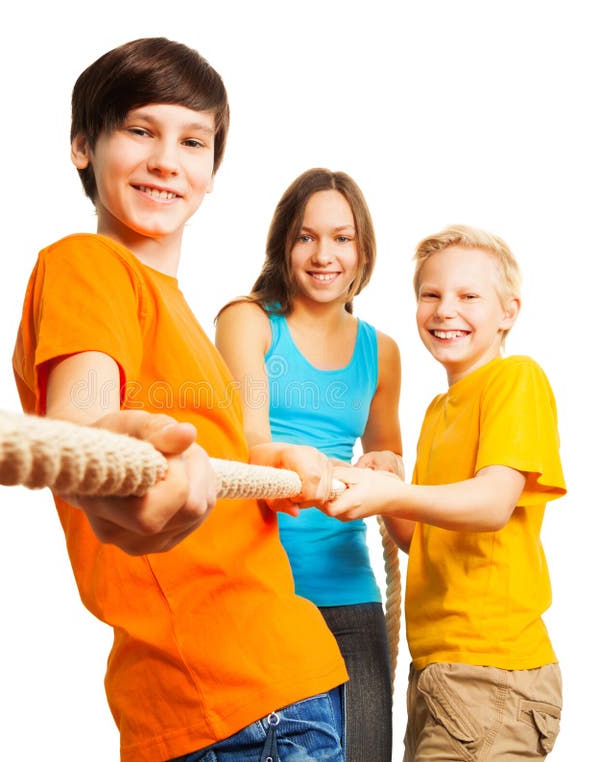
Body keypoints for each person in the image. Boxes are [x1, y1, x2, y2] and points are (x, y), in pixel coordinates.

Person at [11, 38, 350, 762]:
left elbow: (223, 456)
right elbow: (84, 427)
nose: (168, 159)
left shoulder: (183, 315)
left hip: (274, 688)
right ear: (82, 146)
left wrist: (278, 455)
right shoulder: (87, 264)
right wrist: (111, 452)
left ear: (210, 173)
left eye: (193, 141)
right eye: (140, 130)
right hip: (228, 700)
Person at [331, 224, 566, 760]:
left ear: (508, 312)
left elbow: (491, 504)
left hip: (491, 674)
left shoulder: (515, 380)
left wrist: (391, 496)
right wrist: (387, 489)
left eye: (468, 296)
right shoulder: (439, 411)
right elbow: (426, 539)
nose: (444, 310)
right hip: (441, 674)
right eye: (430, 295)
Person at [215, 167, 402, 762]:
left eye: (342, 238)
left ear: (363, 249)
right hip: (263, 591)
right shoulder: (247, 320)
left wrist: (389, 471)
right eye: (306, 236)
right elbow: (245, 448)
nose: (325, 255)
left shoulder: (382, 351)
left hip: (351, 595)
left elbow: (394, 496)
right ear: (284, 245)